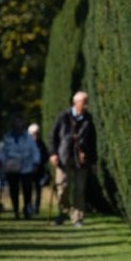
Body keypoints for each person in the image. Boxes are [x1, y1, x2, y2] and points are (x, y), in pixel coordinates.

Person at [49, 91, 96, 227]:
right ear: (75, 103)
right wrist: (53, 153)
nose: (86, 105)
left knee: (80, 189)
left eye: (86, 102)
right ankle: (63, 212)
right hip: (64, 156)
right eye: (84, 102)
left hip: (81, 158)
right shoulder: (63, 117)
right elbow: (53, 136)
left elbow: (93, 142)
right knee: (62, 187)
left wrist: (93, 161)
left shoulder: (88, 119)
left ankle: (77, 218)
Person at [0, 114, 40, 219]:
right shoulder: (7, 137)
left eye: (20, 122)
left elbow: (34, 150)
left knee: (27, 189)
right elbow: (3, 152)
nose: (18, 124)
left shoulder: (28, 137)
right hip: (12, 167)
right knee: (14, 190)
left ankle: (27, 209)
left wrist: (35, 162)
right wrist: (2, 162)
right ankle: (16, 209)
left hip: (26, 167)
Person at [27, 122, 50, 218]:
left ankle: (36, 208)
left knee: (38, 189)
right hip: (28, 170)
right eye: (34, 133)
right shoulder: (27, 144)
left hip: (39, 170)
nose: (36, 135)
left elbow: (45, 156)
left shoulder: (41, 144)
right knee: (28, 190)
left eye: (37, 133)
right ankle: (28, 207)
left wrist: (40, 163)